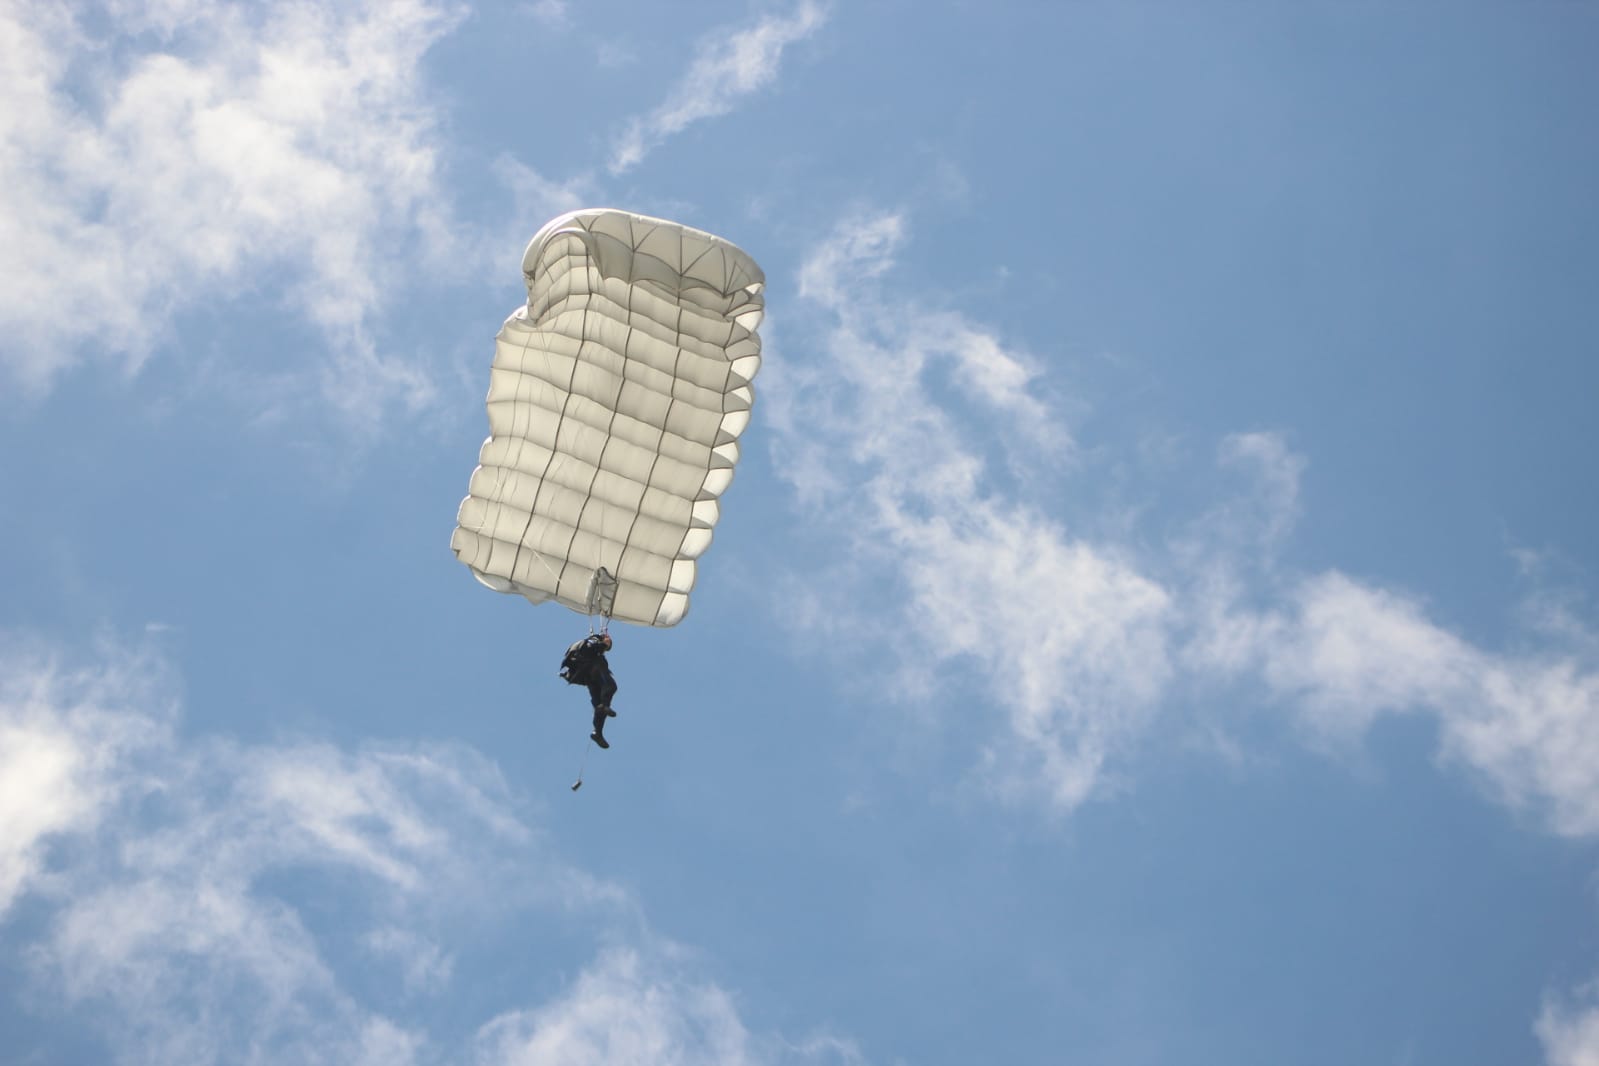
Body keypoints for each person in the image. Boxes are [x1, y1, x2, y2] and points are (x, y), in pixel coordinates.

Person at [561, 632, 617, 748]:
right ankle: (604, 706)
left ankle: (597, 732)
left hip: (588, 676)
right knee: (610, 686)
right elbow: (589, 647)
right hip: (590, 667)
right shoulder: (595, 640)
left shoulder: (598, 650)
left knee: (599, 704)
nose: (607, 647)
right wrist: (603, 644)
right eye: (608, 643)